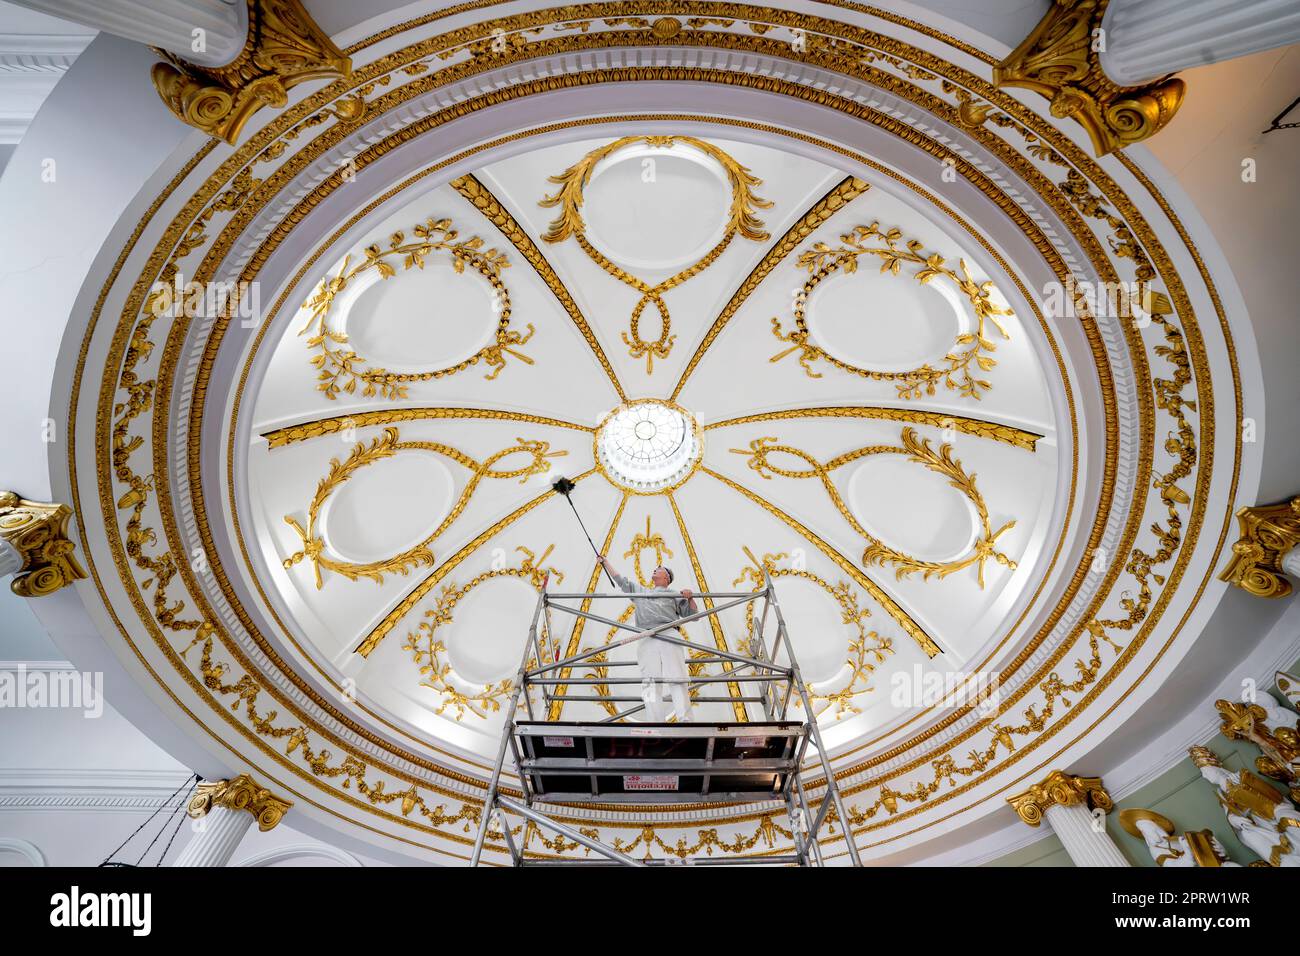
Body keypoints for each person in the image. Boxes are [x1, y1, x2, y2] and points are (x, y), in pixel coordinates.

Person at [598, 554, 697, 721]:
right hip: (647, 636)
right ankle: (655, 720)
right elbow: (621, 581)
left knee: (677, 677)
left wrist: (690, 597)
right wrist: (606, 562)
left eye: (658, 569)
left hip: (669, 634)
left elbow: (693, 615)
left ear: (666, 577)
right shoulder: (642, 592)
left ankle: (685, 718)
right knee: (650, 682)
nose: (654, 570)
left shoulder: (674, 594)